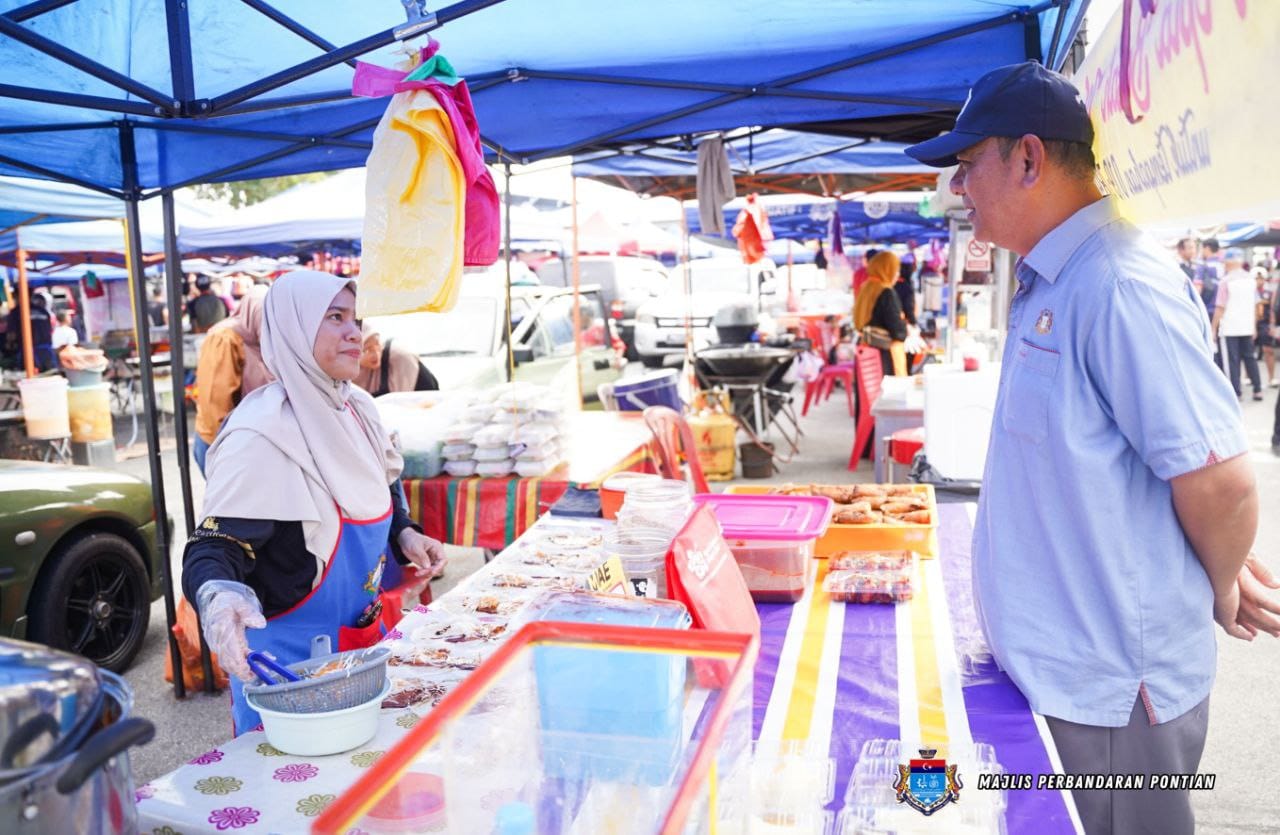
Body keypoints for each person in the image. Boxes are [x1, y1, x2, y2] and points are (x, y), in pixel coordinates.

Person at [906, 60, 1280, 835]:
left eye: (967, 164)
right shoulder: (1056, 277)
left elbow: (1222, 483)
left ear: (1029, 158)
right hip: (1065, 676)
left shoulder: (1119, 284)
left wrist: (1214, 584)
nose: (957, 187)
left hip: (1109, 696)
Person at [182, 271, 447, 735]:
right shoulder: (260, 433)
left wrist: (405, 532)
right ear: (295, 328)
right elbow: (214, 546)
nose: (354, 332)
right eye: (335, 317)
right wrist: (219, 596)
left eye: (356, 319)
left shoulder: (358, 410)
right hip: (287, 675)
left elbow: (379, 485)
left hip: (361, 650)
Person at [192, 286, 272, 476]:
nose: (269, 327)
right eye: (266, 319)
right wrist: (229, 452)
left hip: (251, 441)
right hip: (221, 443)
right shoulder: (225, 338)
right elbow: (216, 405)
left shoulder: (266, 344)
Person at [1211, 248, 1263, 400]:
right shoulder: (1250, 280)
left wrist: (1213, 328)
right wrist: (1254, 326)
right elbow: (1255, 305)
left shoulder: (1225, 281)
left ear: (1229, 262)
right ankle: (1257, 389)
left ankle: (1235, 392)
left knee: (1231, 361)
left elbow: (1220, 307)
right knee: (1250, 358)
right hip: (1247, 327)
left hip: (1229, 328)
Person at [852, 250, 908, 376]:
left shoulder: (865, 287)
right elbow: (898, 332)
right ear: (887, 269)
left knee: (866, 388)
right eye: (895, 270)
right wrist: (905, 327)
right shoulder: (886, 292)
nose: (897, 274)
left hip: (865, 352)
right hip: (883, 357)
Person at [354, 323, 440, 398]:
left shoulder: (400, 359)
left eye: (377, 345)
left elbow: (432, 395)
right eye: (367, 350)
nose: (376, 354)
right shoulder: (348, 372)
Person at [1255, 269, 1276, 387]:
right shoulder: (1249, 291)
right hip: (1251, 324)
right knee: (1248, 352)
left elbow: (1272, 309)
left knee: (1268, 350)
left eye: (1261, 278)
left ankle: (1271, 378)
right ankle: (1248, 377)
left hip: (1264, 324)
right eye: (1257, 278)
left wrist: (1272, 324)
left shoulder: (1269, 292)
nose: (1259, 281)